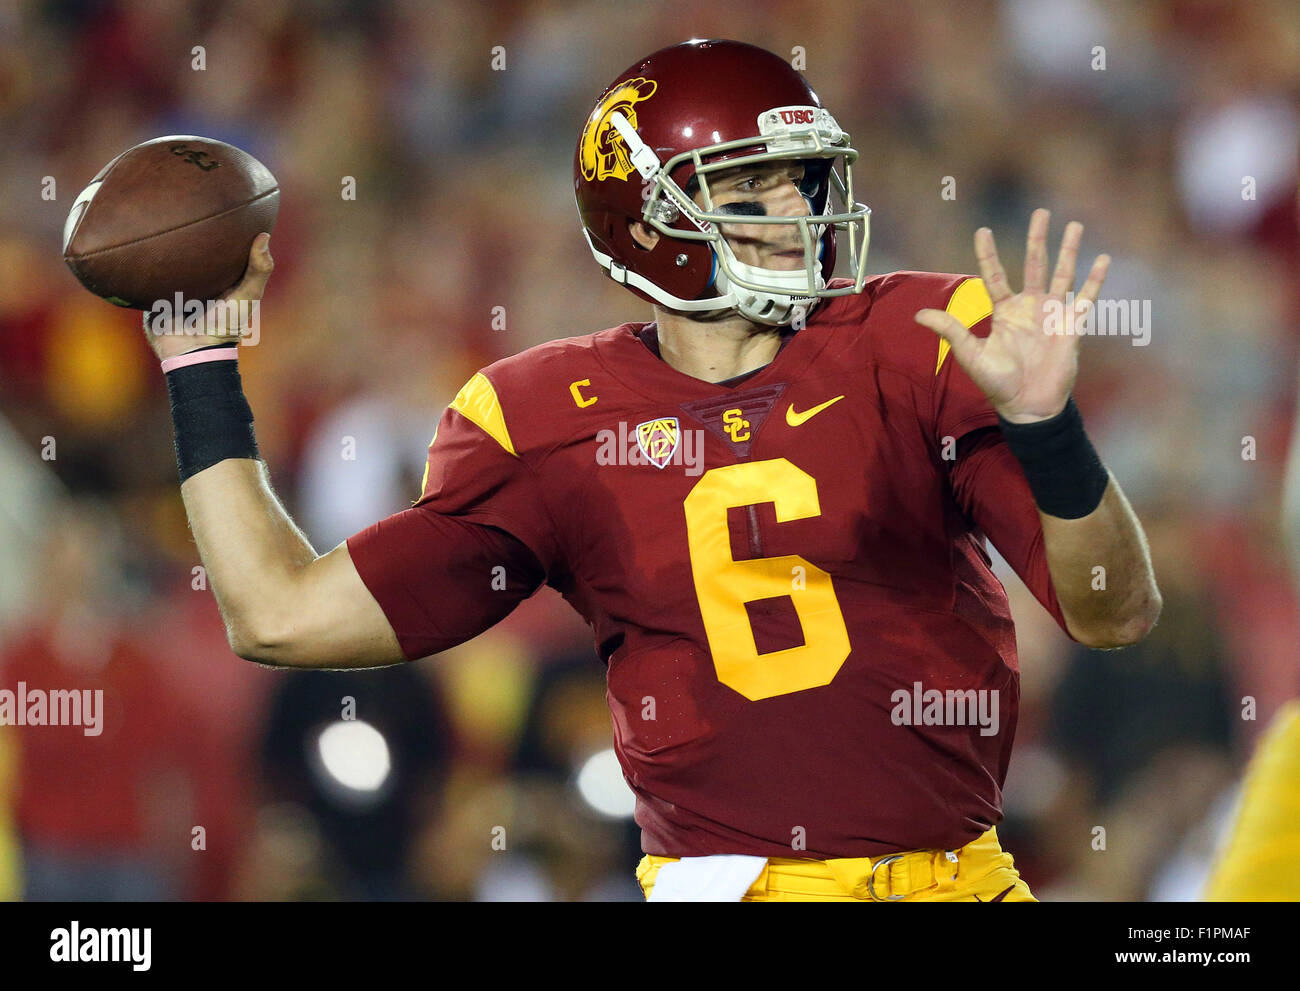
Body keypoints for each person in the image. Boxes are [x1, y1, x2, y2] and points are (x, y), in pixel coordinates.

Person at [146, 39, 1160, 901]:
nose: (796, 209)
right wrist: (199, 361)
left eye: (801, 178)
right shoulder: (547, 418)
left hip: (959, 880)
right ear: (644, 222)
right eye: (749, 186)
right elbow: (279, 614)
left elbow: (1114, 610)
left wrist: (1049, 429)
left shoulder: (917, 341)